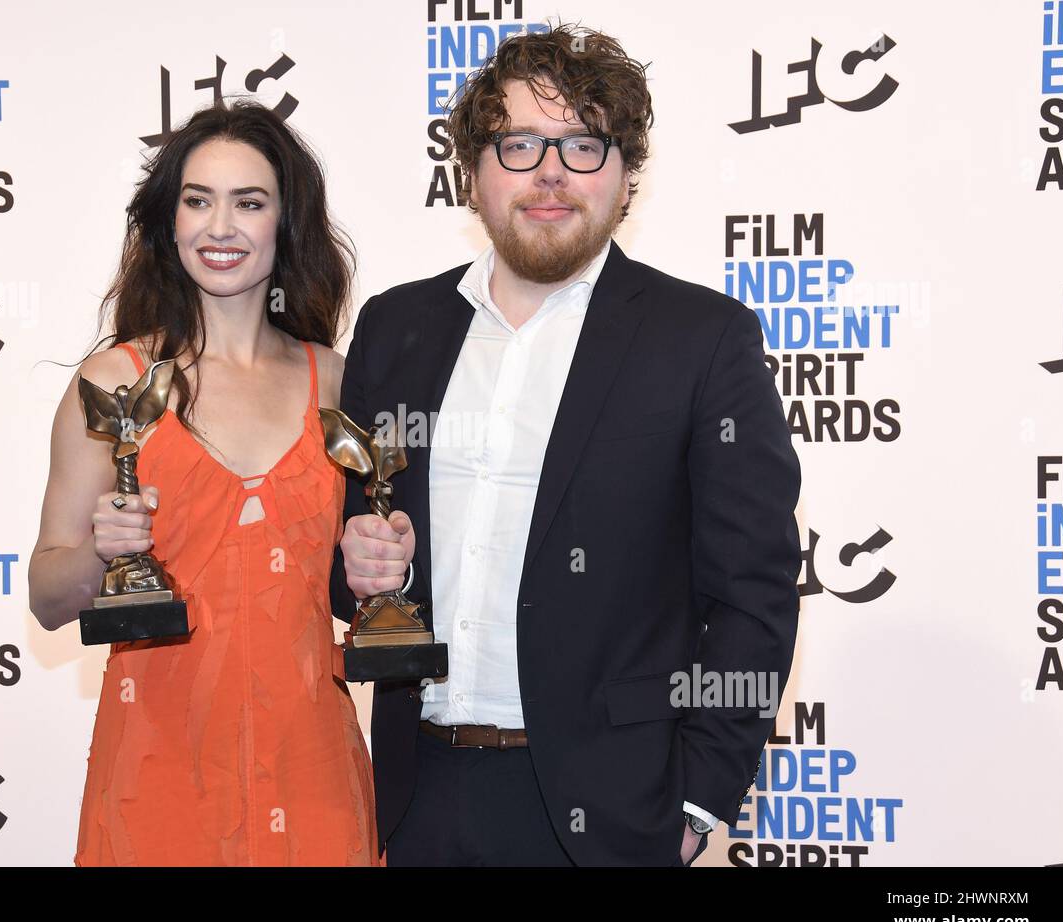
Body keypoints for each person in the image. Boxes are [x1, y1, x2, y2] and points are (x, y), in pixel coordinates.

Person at [330, 24, 802, 866]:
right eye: (519, 144)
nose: (550, 172)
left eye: (583, 143)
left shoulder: (701, 339)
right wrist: (368, 566)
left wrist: (696, 803)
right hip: (414, 799)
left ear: (625, 177)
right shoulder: (395, 329)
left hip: (613, 812)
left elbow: (754, 595)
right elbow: (347, 567)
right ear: (473, 173)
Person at [28, 100, 382, 866]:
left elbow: (361, 585)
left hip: (314, 777)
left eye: (248, 202)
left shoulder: (337, 384)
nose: (219, 227)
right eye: (198, 200)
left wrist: (383, 562)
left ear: (285, 224)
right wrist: (99, 549)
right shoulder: (113, 383)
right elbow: (48, 596)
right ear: (170, 220)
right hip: (157, 781)